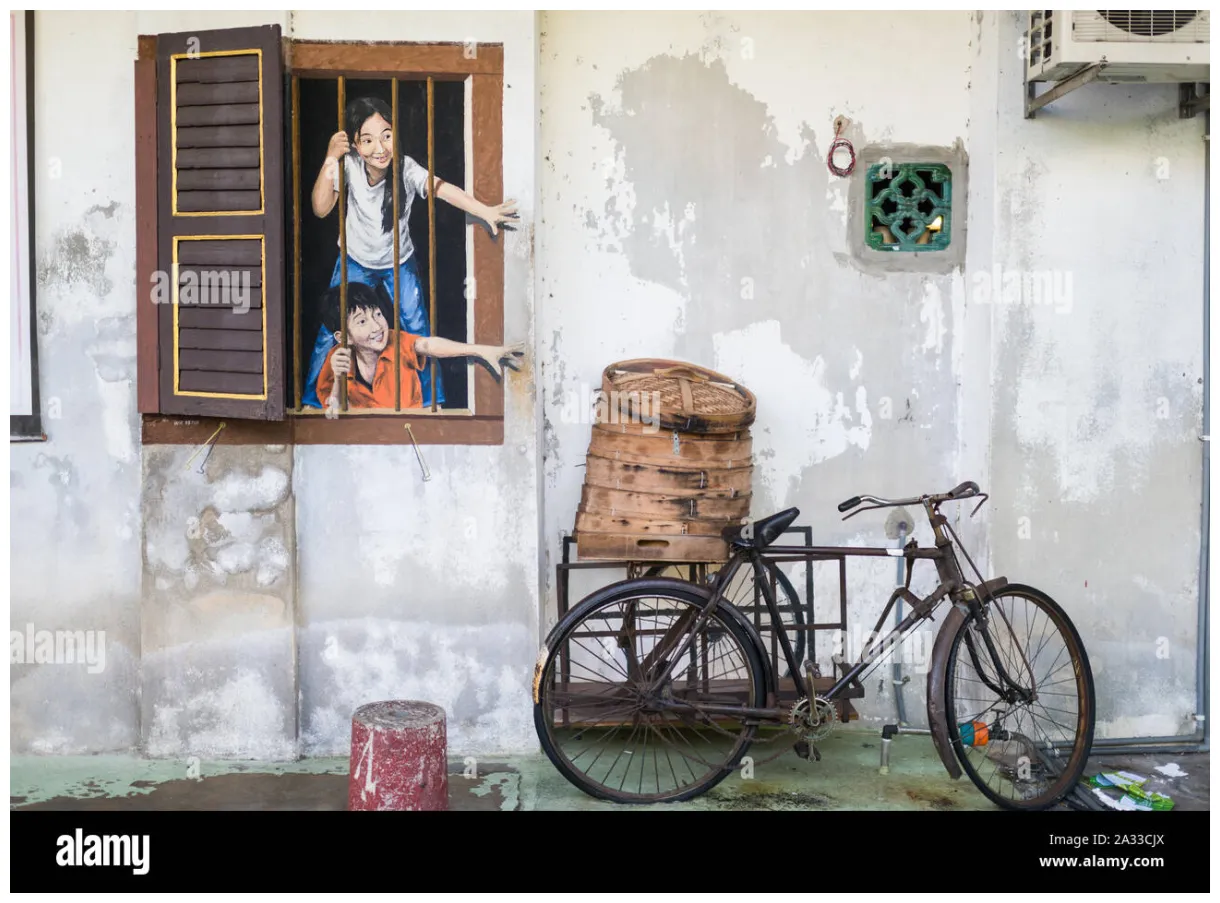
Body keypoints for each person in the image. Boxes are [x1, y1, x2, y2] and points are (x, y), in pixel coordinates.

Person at [304, 95, 518, 409]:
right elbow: (320, 209)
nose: (380, 148)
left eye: (386, 136)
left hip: (398, 261)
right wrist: (329, 158)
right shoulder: (347, 165)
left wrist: (483, 210)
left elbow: (442, 188)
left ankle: (433, 402)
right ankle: (313, 400)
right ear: (354, 145)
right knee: (331, 330)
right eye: (367, 140)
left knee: (417, 330)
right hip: (354, 259)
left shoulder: (405, 168)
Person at [315, 282, 523, 418]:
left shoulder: (397, 342)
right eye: (362, 321)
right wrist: (339, 378)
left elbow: (427, 345)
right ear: (344, 337)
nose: (377, 326)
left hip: (409, 437)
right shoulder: (336, 359)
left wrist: (480, 351)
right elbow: (332, 412)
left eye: (377, 314)